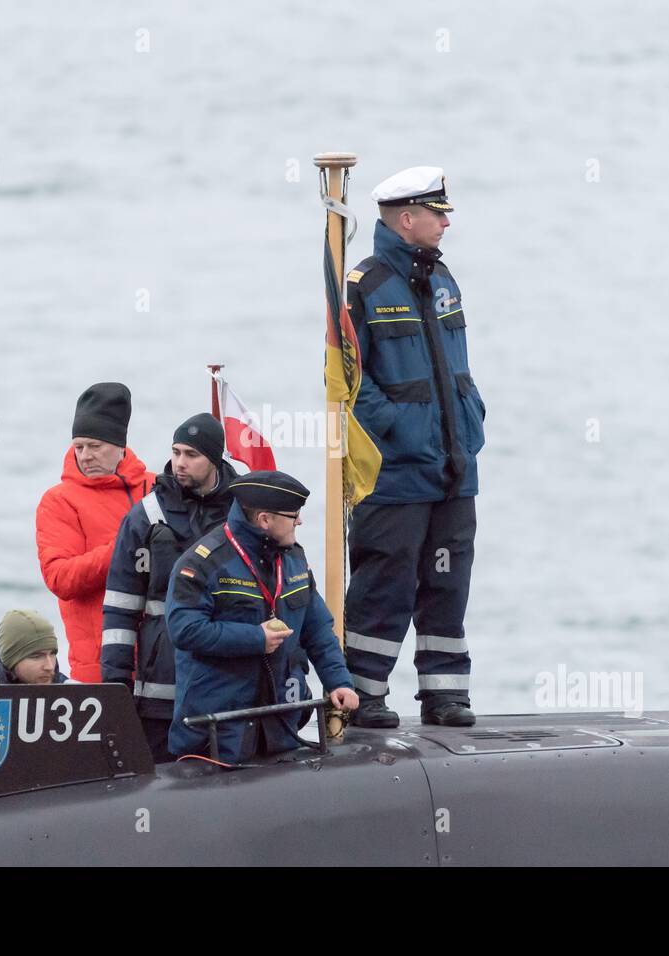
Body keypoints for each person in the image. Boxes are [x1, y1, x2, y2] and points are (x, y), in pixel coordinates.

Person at [342, 166, 485, 728]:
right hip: (394, 471)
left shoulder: (444, 278)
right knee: (386, 580)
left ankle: (445, 693)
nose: (446, 222)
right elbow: (348, 380)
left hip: (454, 465)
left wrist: (471, 422)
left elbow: (458, 369)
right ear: (407, 219)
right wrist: (399, 428)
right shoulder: (362, 285)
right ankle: (362, 693)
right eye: (437, 212)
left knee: (449, 581)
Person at [167, 471, 359, 764]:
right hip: (217, 734)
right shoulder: (202, 564)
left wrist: (339, 681)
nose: (299, 522)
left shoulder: (294, 558)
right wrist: (255, 639)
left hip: (280, 728)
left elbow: (317, 628)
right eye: (293, 515)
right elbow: (184, 629)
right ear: (265, 520)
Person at [100, 413, 239, 762]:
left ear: (215, 458)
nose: (180, 463)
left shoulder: (245, 513)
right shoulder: (145, 516)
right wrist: (116, 685)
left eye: (191, 455)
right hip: (160, 690)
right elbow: (120, 606)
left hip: (230, 687)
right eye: (176, 452)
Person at [36, 382, 152, 682]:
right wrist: (125, 548)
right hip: (98, 668)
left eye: (95, 446)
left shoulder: (156, 489)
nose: (85, 455)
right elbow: (61, 578)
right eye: (79, 447)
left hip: (164, 660)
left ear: (120, 446)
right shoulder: (59, 500)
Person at [0, 609, 70, 685]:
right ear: (11, 660)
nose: (50, 666)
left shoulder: (75, 697)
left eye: (52, 654)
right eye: (37, 656)